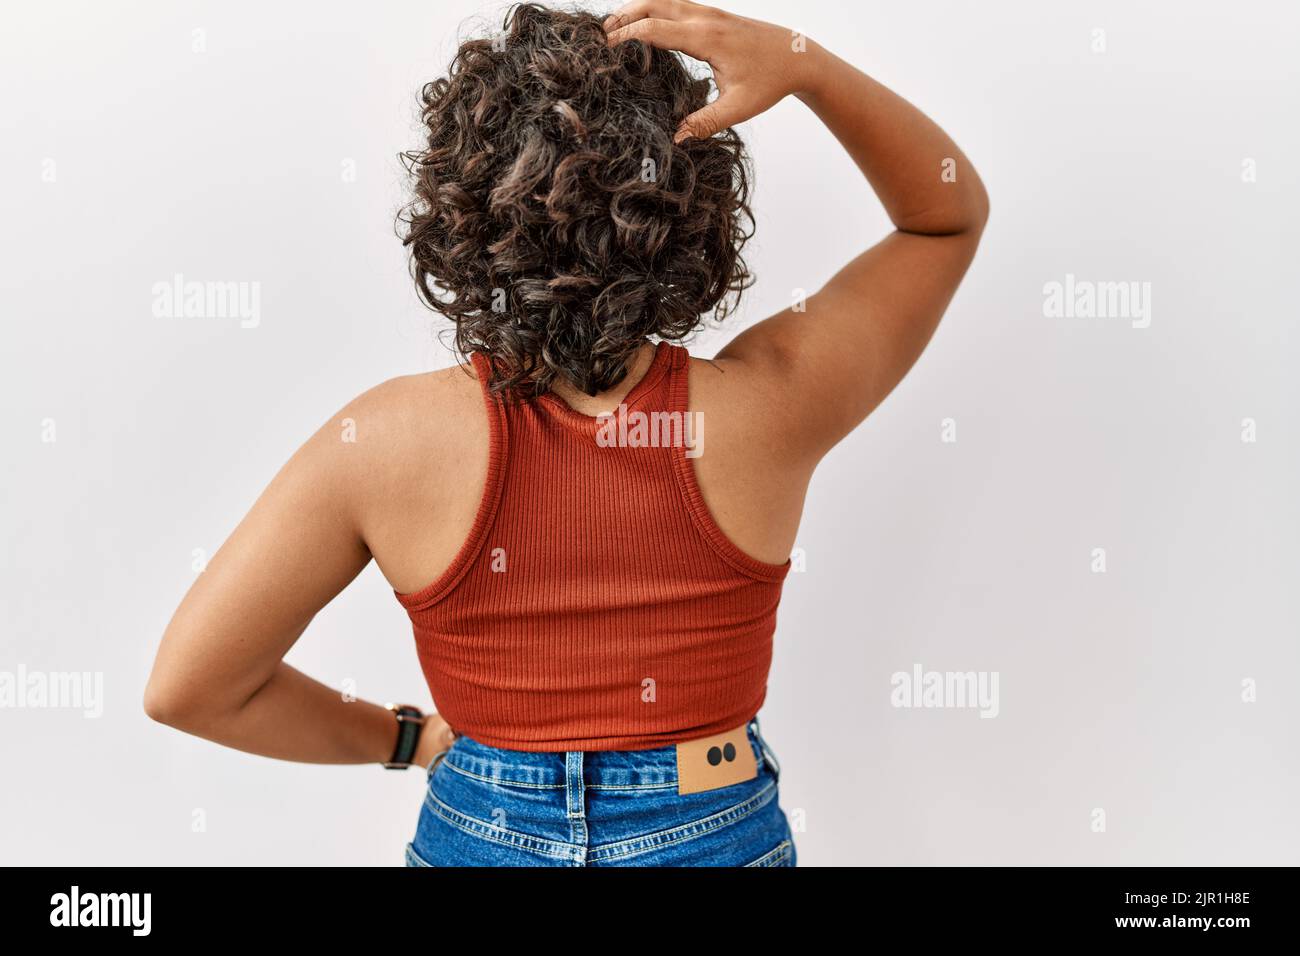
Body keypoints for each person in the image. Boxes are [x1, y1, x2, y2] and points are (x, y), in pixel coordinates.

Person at [145, 0, 989, 866]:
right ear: (694, 212)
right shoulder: (769, 404)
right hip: (710, 817)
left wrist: (407, 739)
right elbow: (945, 216)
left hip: (483, 826)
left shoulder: (383, 442)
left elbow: (191, 688)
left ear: (457, 210)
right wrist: (804, 62)